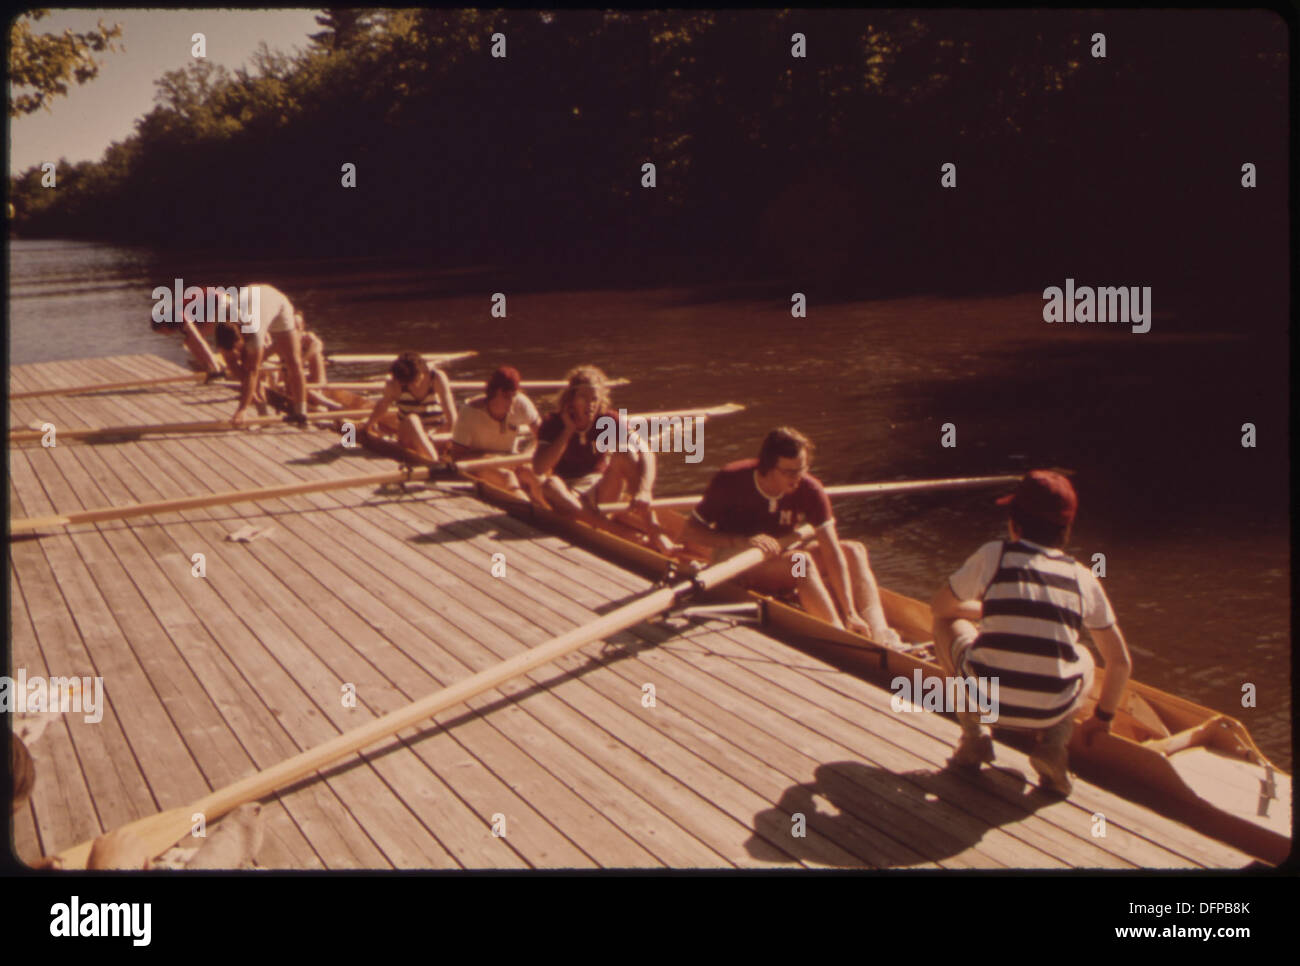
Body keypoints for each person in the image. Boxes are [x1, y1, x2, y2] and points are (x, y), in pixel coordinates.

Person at [929, 469, 1133, 795]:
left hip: (987, 697)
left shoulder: (994, 555)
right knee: (1084, 654)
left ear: (1014, 523)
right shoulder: (1083, 577)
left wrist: (989, 610)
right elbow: (1120, 663)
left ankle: (975, 737)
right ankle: (1054, 744)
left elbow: (940, 608)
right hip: (1049, 709)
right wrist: (1103, 717)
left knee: (944, 625)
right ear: (1066, 529)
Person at [681, 427, 901, 645]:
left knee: (854, 550)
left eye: (802, 469)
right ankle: (837, 634)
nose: (797, 479)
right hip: (737, 560)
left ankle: (880, 633)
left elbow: (831, 550)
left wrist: (850, 610)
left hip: (781, 556)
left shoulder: (810, 489)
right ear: (767, 467)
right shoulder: (732, 479)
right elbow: (690, 531)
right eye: (789, 472)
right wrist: (739, 541)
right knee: (801, 562)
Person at [530, 365, 669, 549]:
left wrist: (645, 490)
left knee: (626, 454)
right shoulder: (553, 423)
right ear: (571, 399)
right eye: (583, 398)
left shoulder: (608, 420)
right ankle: (614, 530)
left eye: (594, 398)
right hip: (569, 495)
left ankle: (655, 532)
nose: (590, 404)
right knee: (549, 485)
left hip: (601, 490)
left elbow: (647, 452)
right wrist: (568, 430)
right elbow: (539, 467)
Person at [210, 284, 307, 427]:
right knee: (247, 366)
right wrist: (249, 388)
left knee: (293, 361)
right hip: (254, 301)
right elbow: (231, 363)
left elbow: (252, 371)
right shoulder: (221, 323)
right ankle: (263, 413)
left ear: (242, 336)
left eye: (237, 348)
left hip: (277, 305)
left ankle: (301, 413)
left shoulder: (254, 330)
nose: (235, 353)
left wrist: (241, 409)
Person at [450, 365, 542, 497]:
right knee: (507, 477)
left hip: (510, 458)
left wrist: (526, 456)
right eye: (506, 397)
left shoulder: (521, 403)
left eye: (513, 395)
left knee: (532, 475)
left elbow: (545, 439)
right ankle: (531, 511)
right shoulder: (469, 412)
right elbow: (457, 457)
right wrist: (491, 459)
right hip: (480, 461)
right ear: (493, 394)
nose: (511, 402)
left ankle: (546, 509)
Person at [361, 351, 456, 463]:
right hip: (408, 434)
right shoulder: (394, 384)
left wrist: (452, 443)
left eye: (415, 380)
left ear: (422, 371)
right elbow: (382, 406)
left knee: (459, 422)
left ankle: (439, 454)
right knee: (412, 419)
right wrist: (367, 426)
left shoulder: (437, 377)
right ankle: (434, 463)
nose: (413, 385)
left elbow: (452, 417)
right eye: (407, 383)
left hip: (436, 434)